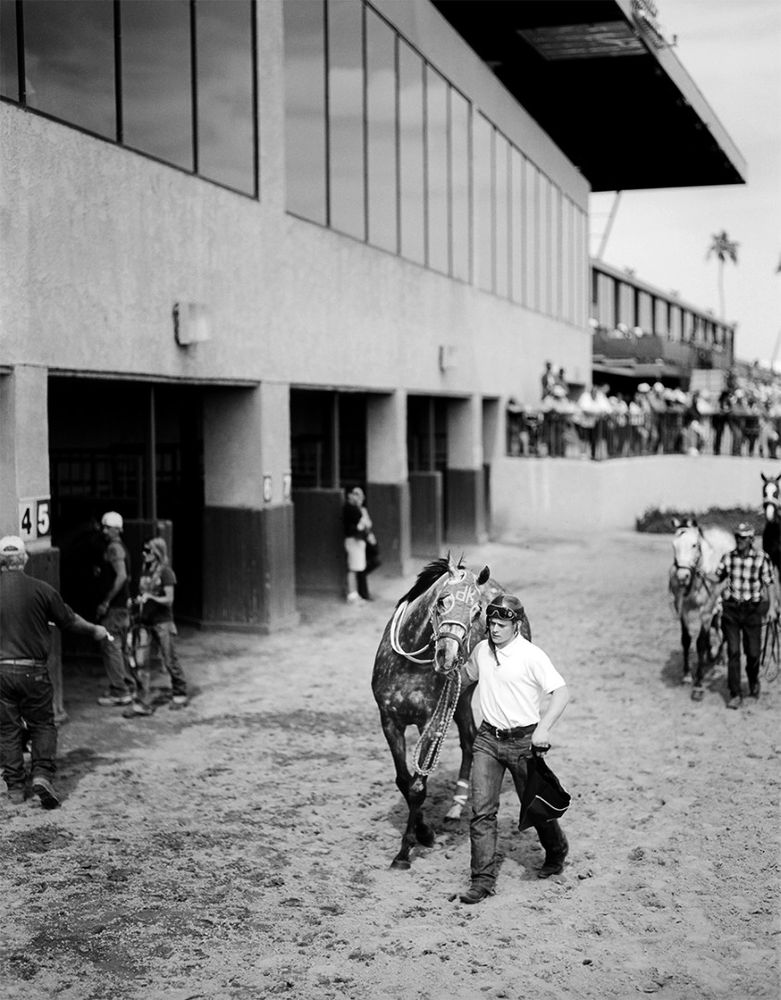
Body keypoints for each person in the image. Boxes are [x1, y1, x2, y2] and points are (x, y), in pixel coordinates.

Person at [457, 594, 570, 904]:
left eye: (501, 625)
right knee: (481, 811)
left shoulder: (532, 655)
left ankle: (557, 849)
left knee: (535, 806)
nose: (494, 630)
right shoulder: (482, 650)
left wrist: (544, 728)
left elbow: (560, 692)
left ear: (516, 625)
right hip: (487, 741)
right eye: (491, 624)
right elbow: (464, 678)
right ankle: (481, 880)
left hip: (523, 741)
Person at [0, 535, 110, 807]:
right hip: (33, 671)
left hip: (1, 672)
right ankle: (41, 774)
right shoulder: (42, 589)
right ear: (24, 559)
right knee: (42, 724)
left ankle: (14, 789)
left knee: (7, 729)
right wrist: (96, 630)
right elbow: (69, 621)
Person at [124, 537, 188, 717]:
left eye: (148, 551)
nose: (144, 554)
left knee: (169, 658)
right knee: (141, 662)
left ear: (157, 553)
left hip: (162, 621)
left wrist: (151, 598)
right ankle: (142, 701)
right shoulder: (145, 570)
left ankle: (180, 691)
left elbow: (169, 599)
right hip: (145, 621)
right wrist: (136, 601)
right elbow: (143, 593)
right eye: (143, 550)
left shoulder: (166, 572)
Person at [715, 523, 777, 709]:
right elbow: (716, 577)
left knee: (753, 654)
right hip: (731, 610)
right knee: (733, 652)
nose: (739, 541)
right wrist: (698, 572)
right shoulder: (728, 558)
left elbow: (769, 584)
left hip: (752, 611)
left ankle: (753, 681)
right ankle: (735, 693)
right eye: (737, 537)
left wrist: (772, 607)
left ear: (751, 539)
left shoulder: (761, 559)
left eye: (743, 538)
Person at [94, 511, 136, 706]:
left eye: (106, 527)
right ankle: (128, 685)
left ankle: (120, 690)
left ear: (115, 529)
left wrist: (106, 602)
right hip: (122, 607)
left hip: (115, 608)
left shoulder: (114, 549)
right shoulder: (122, 548)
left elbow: (121, 576)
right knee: (120, 648)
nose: (104, 531)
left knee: (112, 647)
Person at [342, 486, 374, 603]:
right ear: (349, 495)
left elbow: (367, 524)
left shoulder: (357, 508)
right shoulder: (349, 508)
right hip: (353, 541)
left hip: (359, 542)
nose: (358, 497)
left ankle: (354, 593)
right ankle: (352, 595)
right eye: (355, 494)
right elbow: (358, 526)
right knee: (353, 568)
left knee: (357, 567)